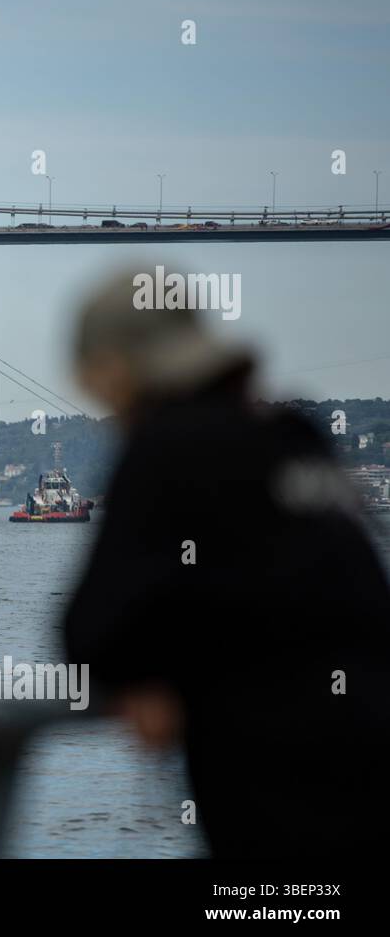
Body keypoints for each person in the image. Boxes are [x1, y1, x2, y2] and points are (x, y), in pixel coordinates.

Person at [63, 266, 390, 858]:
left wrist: (155, 670)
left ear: (115, 370)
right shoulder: (294, 435)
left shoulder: (168, 446)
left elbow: (93, 629)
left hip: (282, 816)